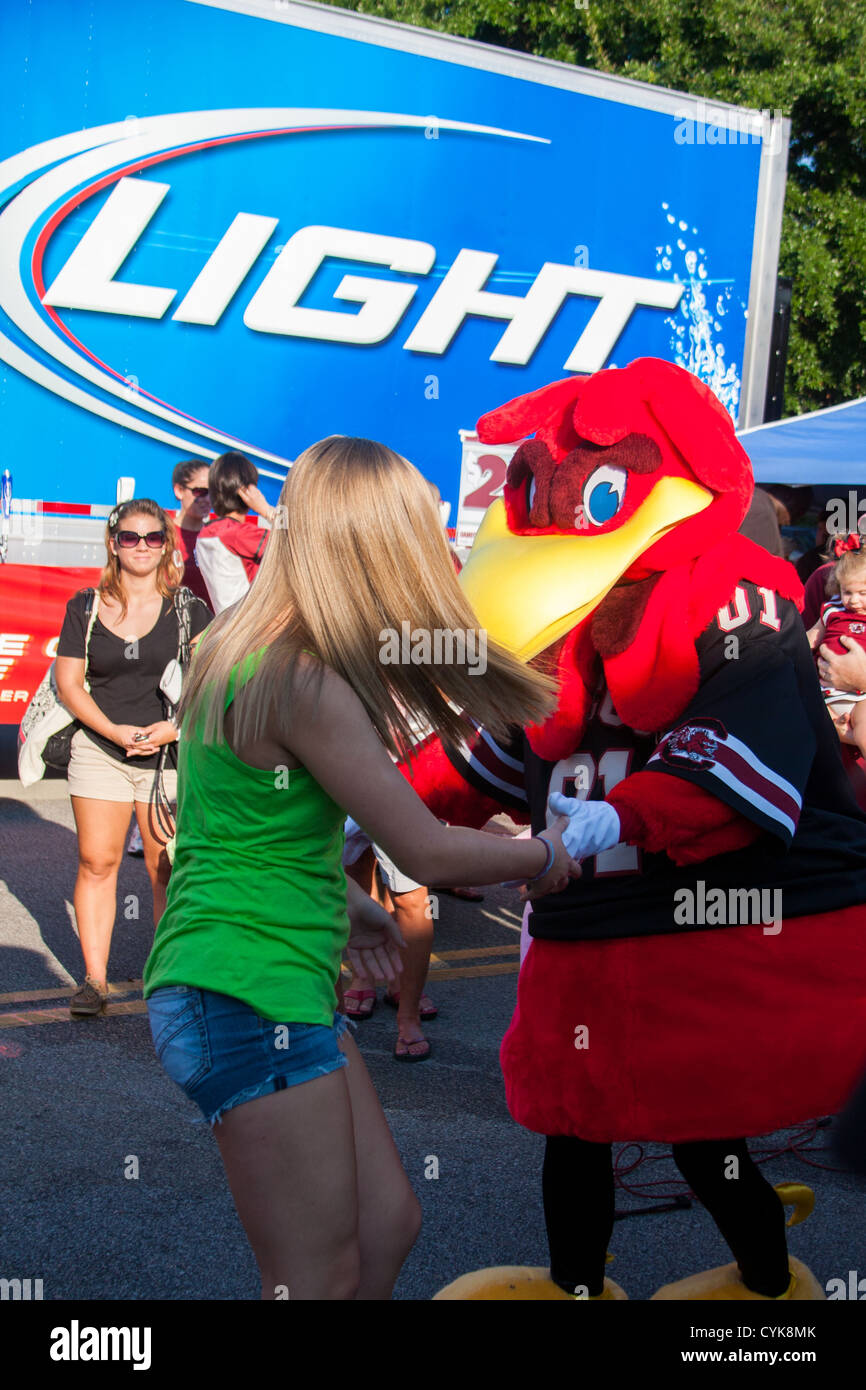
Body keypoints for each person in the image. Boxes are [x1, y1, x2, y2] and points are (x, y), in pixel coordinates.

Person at [142, 436, 578, 1300]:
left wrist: (346, 900)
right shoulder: (302, 677)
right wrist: (544, 853)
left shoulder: (239, 643)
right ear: (378, 541)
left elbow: (235, 827)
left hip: (259, 983)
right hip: (241, 992)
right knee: (316, 1279)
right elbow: (422, 848)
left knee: (388, 1225)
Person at [55, 499, 213, 1017]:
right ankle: (94, 982)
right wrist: (113, 731)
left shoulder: (190, 609)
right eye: (130, 537)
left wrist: (172, 727)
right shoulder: (86, 605)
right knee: (97, 862)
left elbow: (212, 684)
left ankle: (167, 978)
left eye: (152, 537)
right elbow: (69, 684)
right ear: (113, 542)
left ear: (167, 543)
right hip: (100, 749)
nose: (141, 546)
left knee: (165, 869)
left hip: (167, 757)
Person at [194, 451, 276, 613]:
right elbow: (296, 544)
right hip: (252, 626)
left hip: (226, 623)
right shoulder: (238, 534)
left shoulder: (206, 533)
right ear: (247, 491)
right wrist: (267, 510)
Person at [807, 535, 866, 757]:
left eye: (862, 593)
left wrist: (861, 678)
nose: (853, 600)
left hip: (860, 699)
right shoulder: (830, 602)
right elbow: (806, 640)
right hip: (825, 694)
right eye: (848, 592)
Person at [171, 458, 213, 605]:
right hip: (172, 622)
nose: (207, 499)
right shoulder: (162, 536)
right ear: (179, 491)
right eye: (200, 491)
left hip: (212, 624)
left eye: (212, 492)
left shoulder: (217, 537)